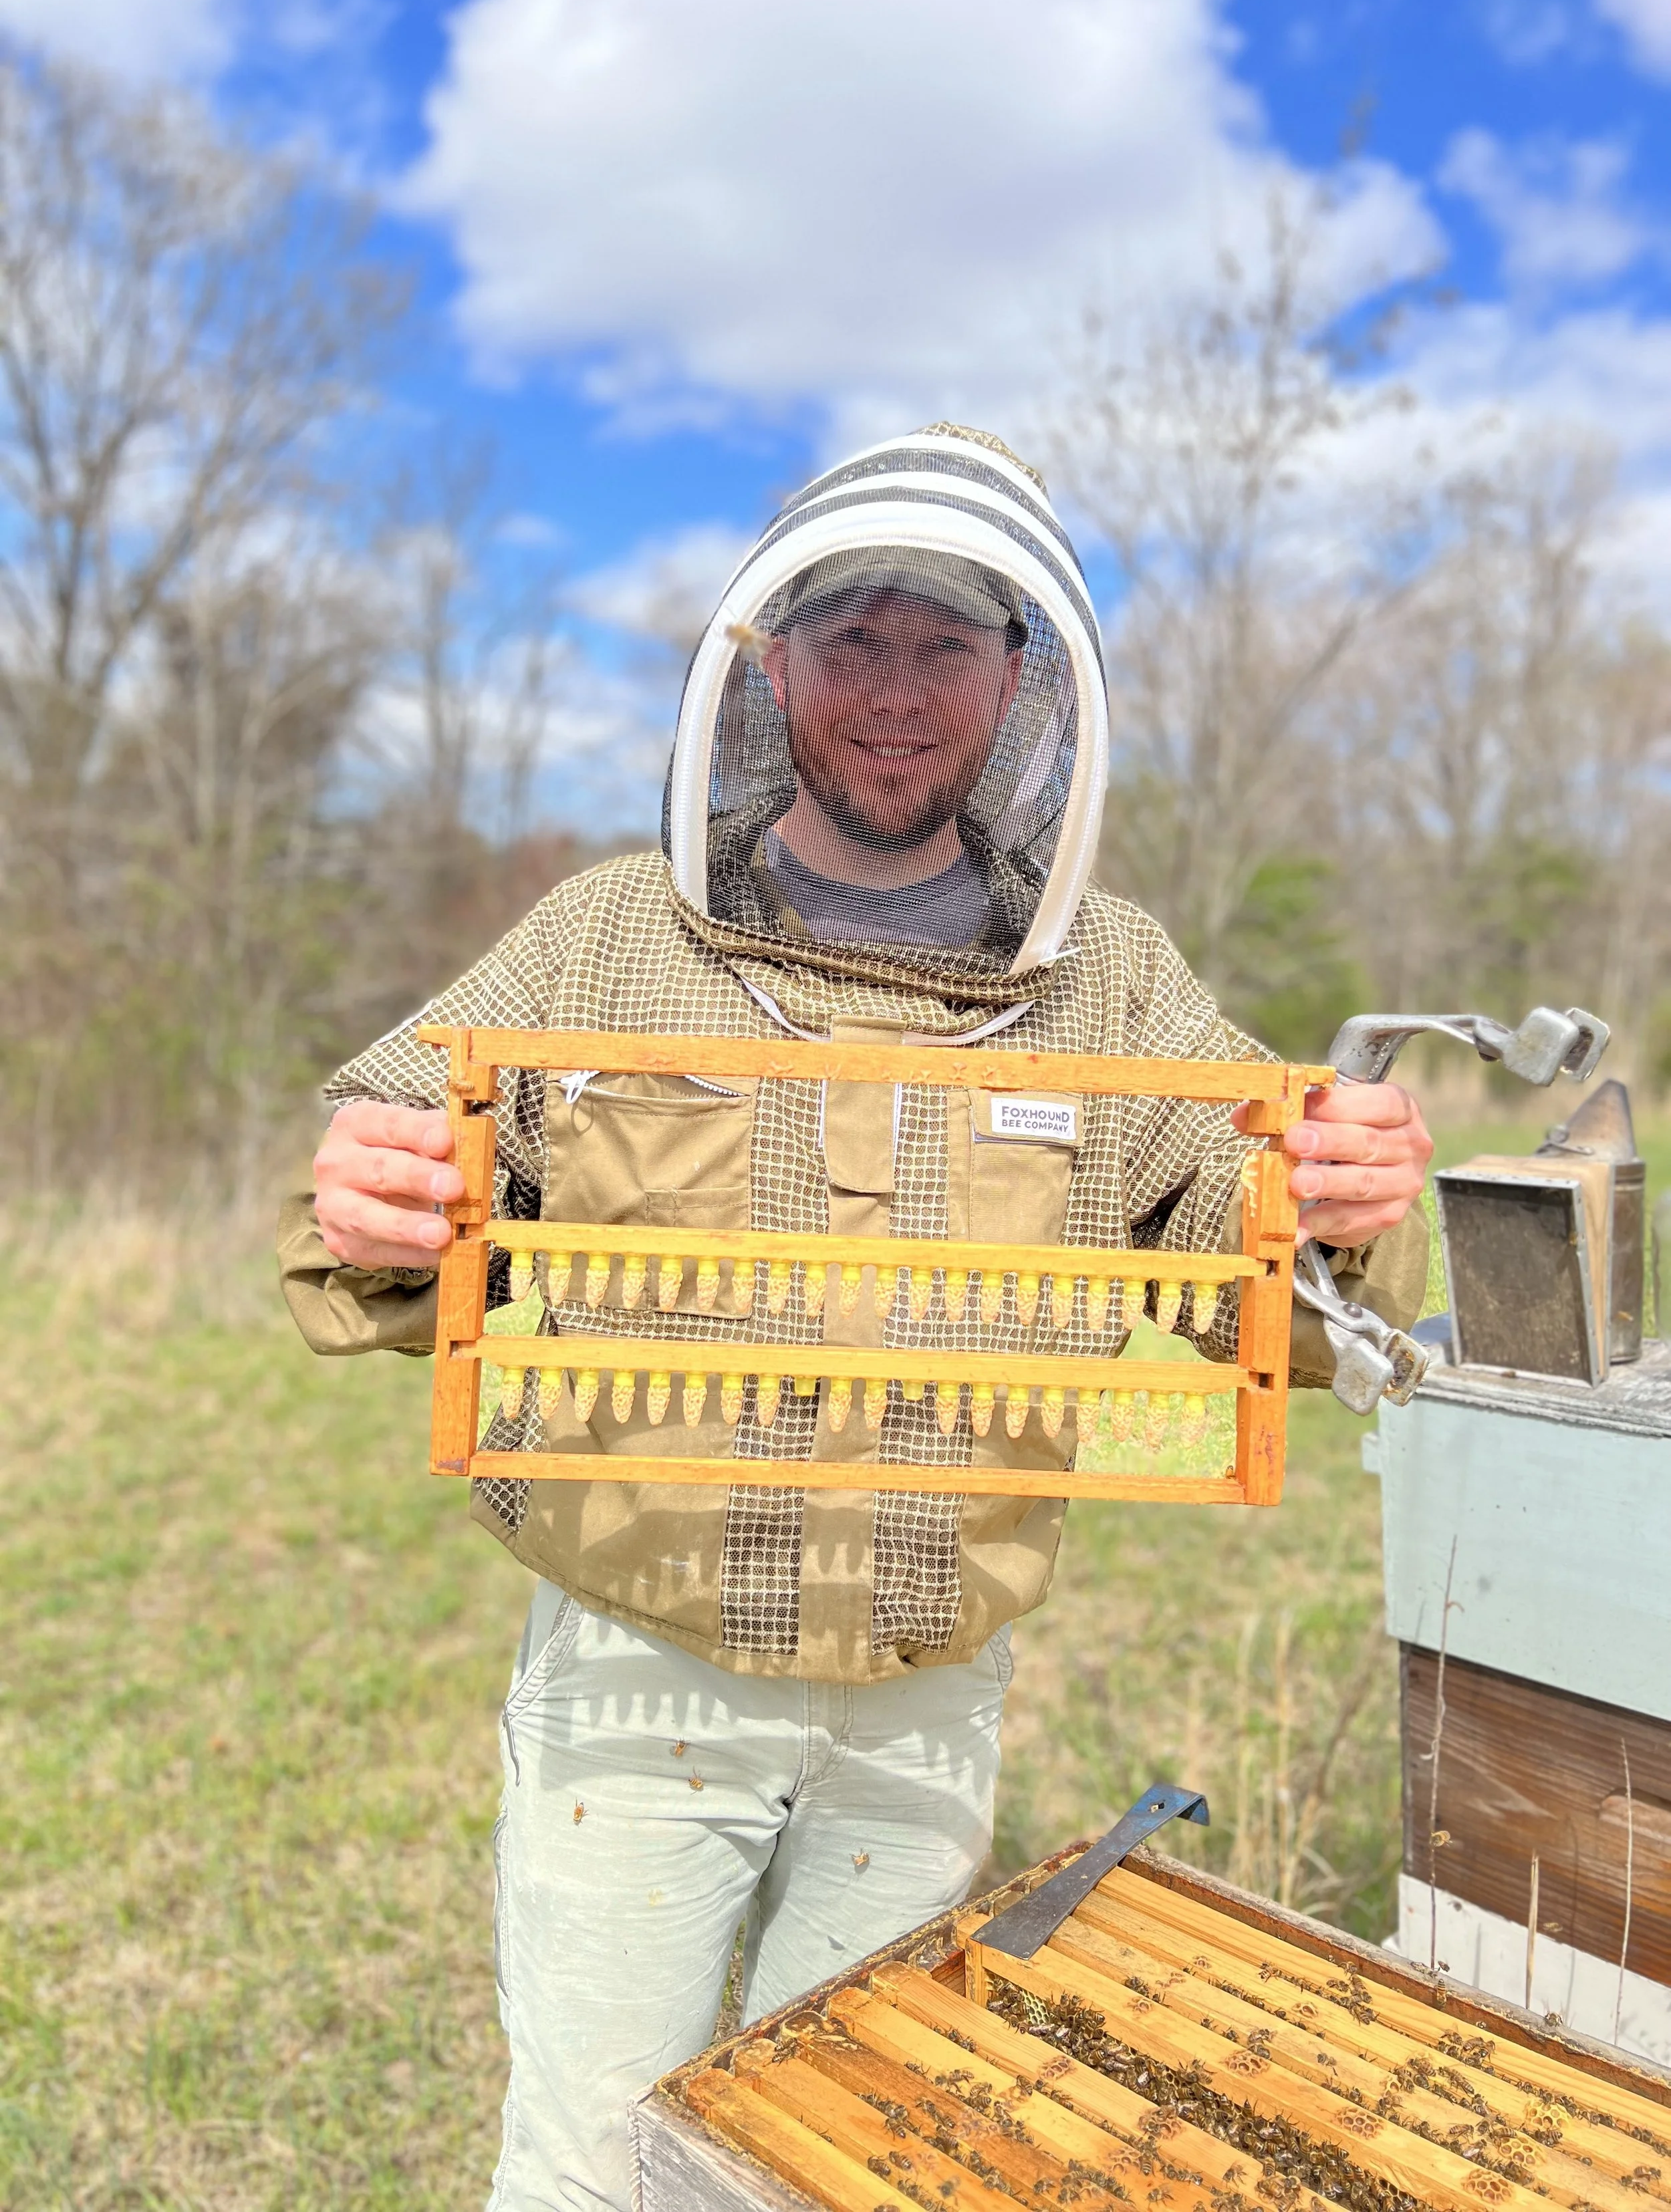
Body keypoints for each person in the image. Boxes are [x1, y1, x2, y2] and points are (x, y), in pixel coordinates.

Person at [277, 423, 1432, 2211]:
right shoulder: (602, 938)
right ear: (768, 662)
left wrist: (1342, 1206)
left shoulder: (1107, 975)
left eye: (946, 645)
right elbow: (394, 1148)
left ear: (1025, 679)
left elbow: (1254, 1264)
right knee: (597, 2169)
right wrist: (377, 1196)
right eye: (853, 639)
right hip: (633, 1684)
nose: (895, 689)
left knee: (854, 2168)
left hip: (923, 1695)